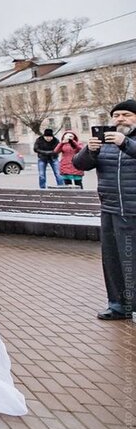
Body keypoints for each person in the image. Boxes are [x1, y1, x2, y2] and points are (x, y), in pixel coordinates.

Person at [72, 100, 136, 320]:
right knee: (114, 259)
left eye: (126, 114)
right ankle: (119, 305)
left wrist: (125, 143)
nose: (120, 119)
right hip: (110, 209)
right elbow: (79, 165)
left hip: (133, 210)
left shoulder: (125, 141)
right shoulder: (104, 142)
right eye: (116, 115)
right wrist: (89, 150)